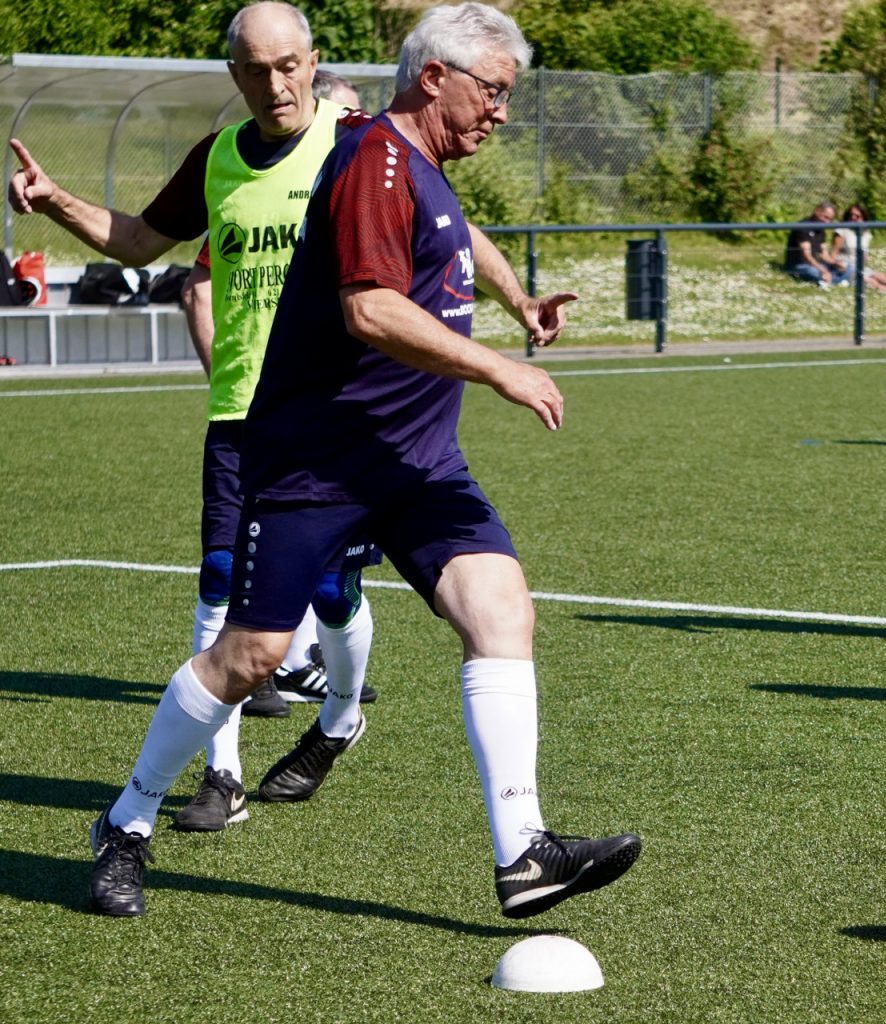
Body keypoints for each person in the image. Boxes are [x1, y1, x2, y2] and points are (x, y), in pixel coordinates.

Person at [69, 1, 641, 919]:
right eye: (491, 92)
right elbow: (368, 308)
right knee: (250, 656)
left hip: (416, 466)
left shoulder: (425, 171)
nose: (500, 112)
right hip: (315, 465)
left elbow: (445, 270)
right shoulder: (373, 159)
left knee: (501, 612)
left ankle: (523, 850)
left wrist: (518, 305)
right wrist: (502, 367)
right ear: (433, 77)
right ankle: (127, 821)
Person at [9, 2, 384, 834]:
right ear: (235, 75)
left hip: (334, 415)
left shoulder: (358, 144)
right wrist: (56, 200)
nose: (276, 83)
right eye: (257, 69)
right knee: (221, 584)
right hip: (241, 415)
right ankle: (224, 777)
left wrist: (513, 300)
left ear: (313, 61)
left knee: (330, 589)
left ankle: (341, 716)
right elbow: (140, 240)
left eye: (290, 65)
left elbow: (447, 228)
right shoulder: (216, 159)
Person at [826, 203, 886, 295]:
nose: (853, 218)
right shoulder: (842, 231)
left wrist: (862, 264)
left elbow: (864, 255)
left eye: (857, 216)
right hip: (845, 268)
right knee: (869, 280)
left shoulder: (866, 234)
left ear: (863, 218)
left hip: (859, 267)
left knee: (878, 276)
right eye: (851, 215)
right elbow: (833, 254)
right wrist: (837, 265)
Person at [784, 201, 851, 287]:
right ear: (817, 211)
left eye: (830, 220)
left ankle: (829, 280)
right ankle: (836, 280)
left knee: (848, 267)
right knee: (813, 271)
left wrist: (836, 263)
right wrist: (823, 270)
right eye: (826, 217)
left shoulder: (821, 230)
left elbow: (824, 255)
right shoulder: (803, 227)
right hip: (800, 265)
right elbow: (807, 256)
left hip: (816, 264)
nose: (827, 222)